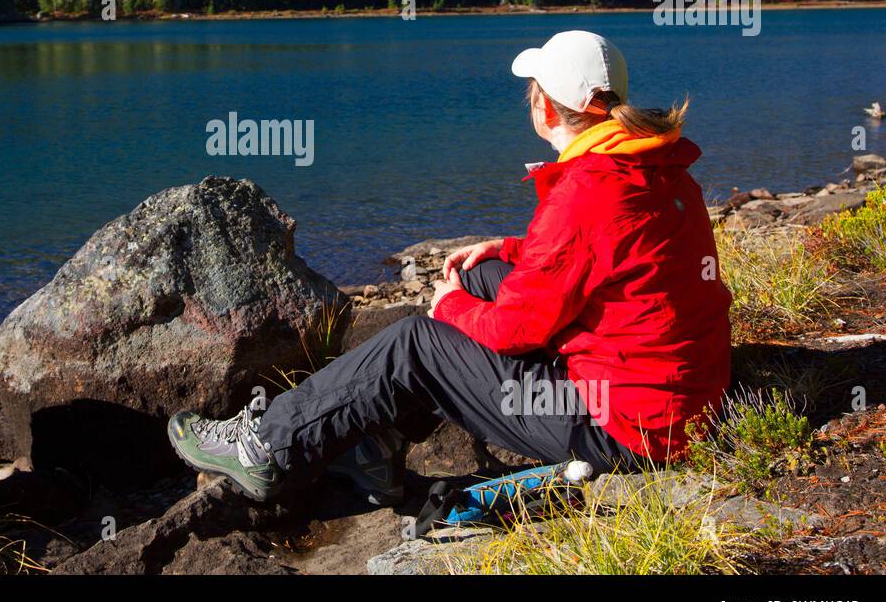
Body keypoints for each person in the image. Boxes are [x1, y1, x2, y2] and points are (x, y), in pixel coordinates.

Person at [167, 30, 732, 504]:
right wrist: (508, 249)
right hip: (677, 398)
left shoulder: (588, 191)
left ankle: (266, 447)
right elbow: (614, 253)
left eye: (531, 90)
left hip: (624, 425)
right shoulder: (650, 165)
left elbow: (516, 330)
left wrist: (451, 309)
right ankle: (374, 447)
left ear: (542, 106)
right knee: (487, 278)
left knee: (419, 340)